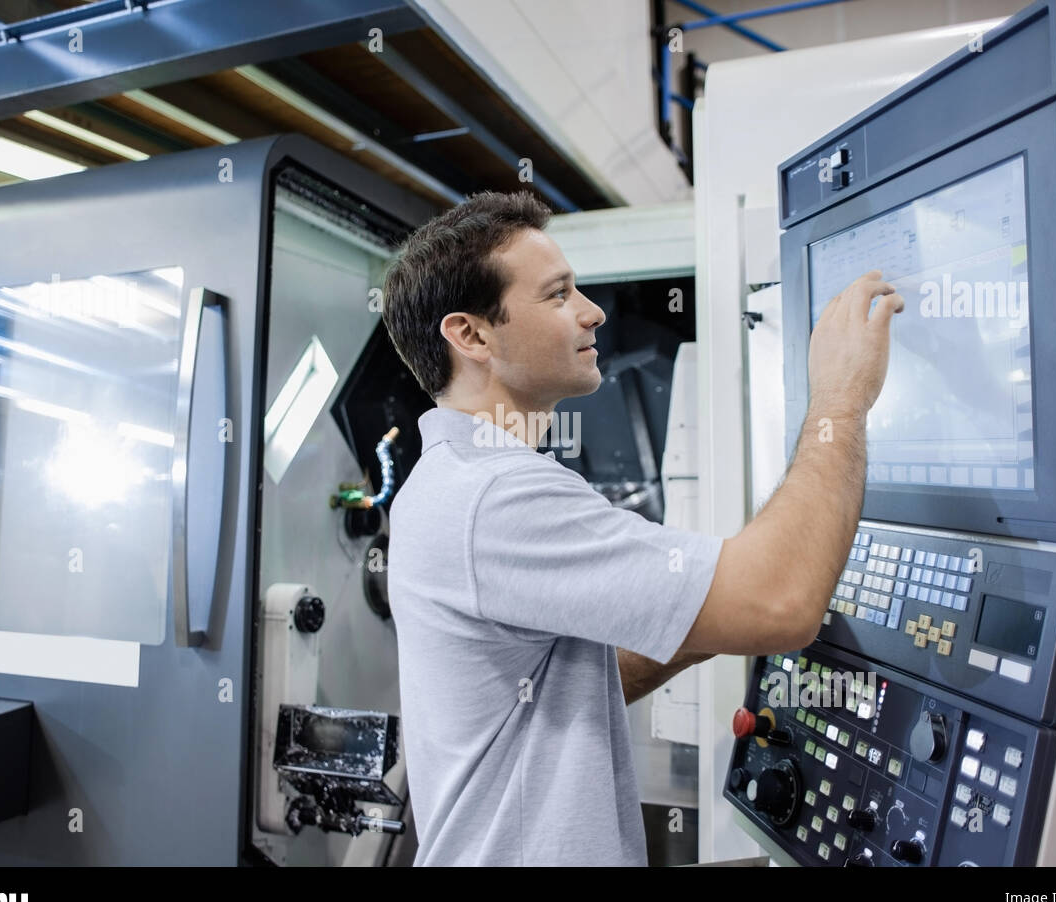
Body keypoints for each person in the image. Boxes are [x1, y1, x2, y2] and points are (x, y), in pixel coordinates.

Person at [381, 190, 904, 866]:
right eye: (558, 294)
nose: (592, 311)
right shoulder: (495, 494)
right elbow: (785, 603)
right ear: (473, 335)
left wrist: (701, 616)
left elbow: (563, 683)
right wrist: (840, 397)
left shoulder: (453, 479)